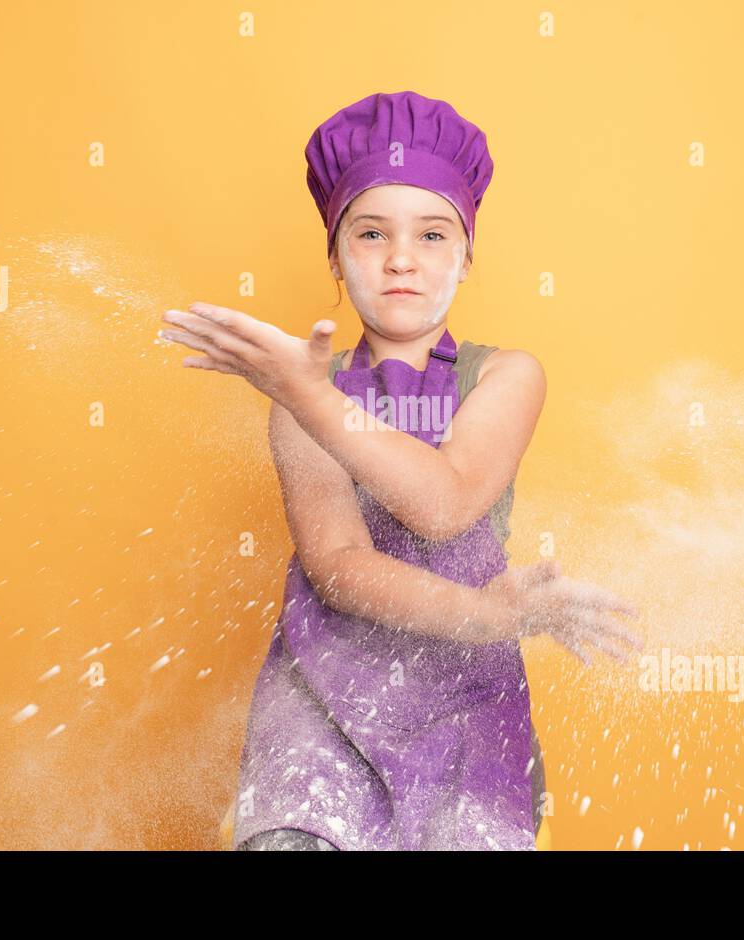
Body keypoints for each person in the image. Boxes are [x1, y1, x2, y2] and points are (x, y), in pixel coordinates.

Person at [159, 91, 642, 850]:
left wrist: (313, 397)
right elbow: (339, 566)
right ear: (333, 255)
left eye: (433, 234)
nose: (401, 259)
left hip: (467, 706)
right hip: (320, 703)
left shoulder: (506, 376)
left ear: (467, 255)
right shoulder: (298, 402)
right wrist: (310, 396)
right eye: (371, 232)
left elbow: (444, 504)